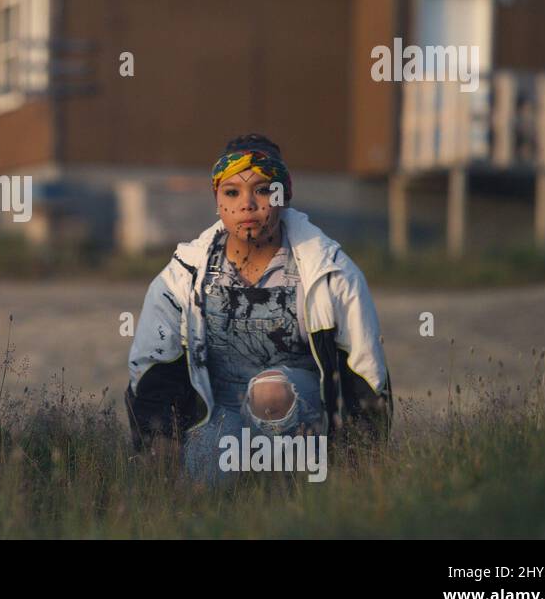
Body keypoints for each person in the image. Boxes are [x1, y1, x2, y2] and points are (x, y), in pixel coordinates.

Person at [124, 133, 393, 484]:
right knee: (201, 482)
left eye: (264, 190)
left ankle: (289, 485)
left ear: (286, 194)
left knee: (270, 392)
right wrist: (157, 445)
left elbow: (365, 370)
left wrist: (362, 457)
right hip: (221, 413)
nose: (247, 204)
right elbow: (153, 366)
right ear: (217, 200)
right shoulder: (183, 276)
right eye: (232, 192)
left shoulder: (329, 271)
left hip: (301, 413)